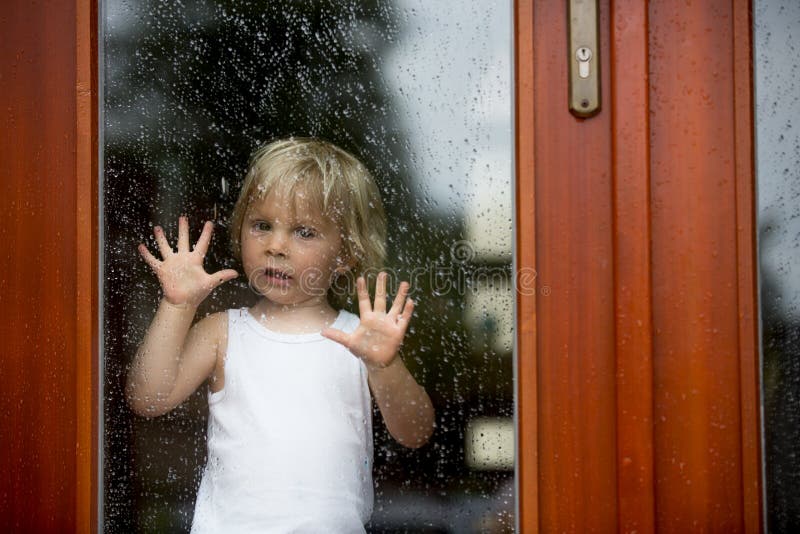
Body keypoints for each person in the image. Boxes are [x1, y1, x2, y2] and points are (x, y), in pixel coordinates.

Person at [126, 138, 435, 533]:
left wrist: (385, 365)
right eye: (262, 226)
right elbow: (147, 399)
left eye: (304, 232)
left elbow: (416, 432)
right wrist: (178, 306)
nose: (275, 246)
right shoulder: (224, 333)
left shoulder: (360, 342)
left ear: (346, 255)